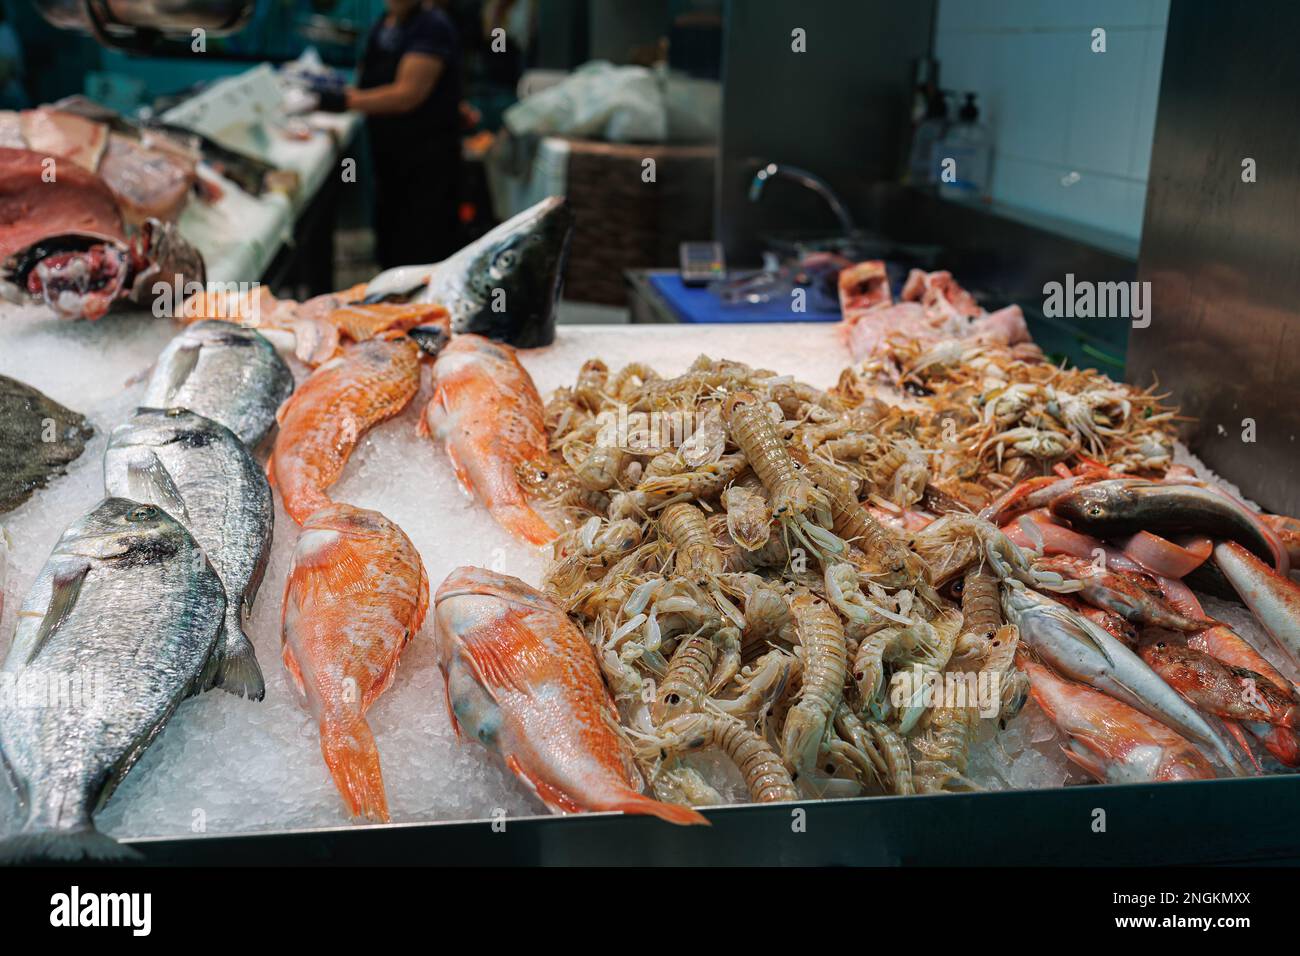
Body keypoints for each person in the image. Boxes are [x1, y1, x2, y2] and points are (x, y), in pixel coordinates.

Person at [318, 0, 463, 269]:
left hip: (426, 161)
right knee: (391, 240)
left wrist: (344, 101)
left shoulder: (431, 26)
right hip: (390, 157)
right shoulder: (384, 23)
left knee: (422, 247)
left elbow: (407, 95)